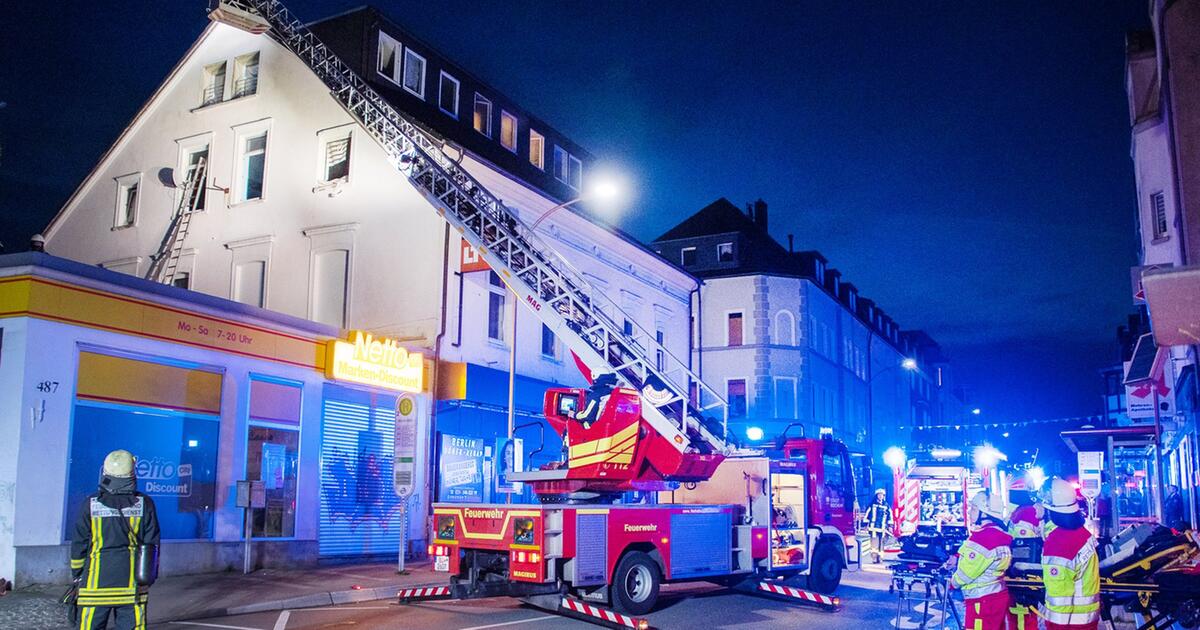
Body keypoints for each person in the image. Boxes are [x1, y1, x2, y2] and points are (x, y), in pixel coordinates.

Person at [70, 450, 160, 630]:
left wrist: (77, 575)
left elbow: (79, 543)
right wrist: (149, 578)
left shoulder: (90, 504)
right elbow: (152, 545)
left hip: (95, 586)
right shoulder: (145, 503)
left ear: (105, 474)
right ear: (132, 475)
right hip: (132, 587)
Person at [1040, 478, 1100, 630]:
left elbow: (1060, 599)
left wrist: (1053, 626)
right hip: (1087, 619)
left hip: (1069, 624)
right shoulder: (1083, 535)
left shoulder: (1058, 543)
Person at [948, 491, 1012, 630]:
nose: (970, 512)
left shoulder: (983, 538)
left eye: (974, 508)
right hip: (996, 596)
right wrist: (958, 558)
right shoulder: (998, 534)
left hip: (981, 601)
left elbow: (966, 573)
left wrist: (951, 583)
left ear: (985, 513)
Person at [862, 488, 892, 564]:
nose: (880, 496)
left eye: (882, 495)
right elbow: (867, 515)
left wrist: (890, 526)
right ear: (876, 496)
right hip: (873, 528)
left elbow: (890, 516)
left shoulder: (886, 505)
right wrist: (865, 525)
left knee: (881, 545)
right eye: (879, 495)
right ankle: (874, 558)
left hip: (882, 528)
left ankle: (880, 558)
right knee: (874, 545)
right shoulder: (872, 505)